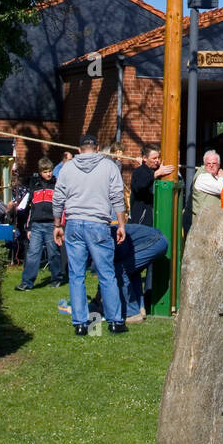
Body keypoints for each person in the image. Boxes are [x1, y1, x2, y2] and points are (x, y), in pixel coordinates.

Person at [53, 133, 127, 336]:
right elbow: (117, 197)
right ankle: (115, 322)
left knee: (76, 275)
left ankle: (80, 323)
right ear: (96, 148)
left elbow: (57, 197)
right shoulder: (109, 166)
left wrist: (57, 224)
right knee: (106, 273)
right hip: (98, 224)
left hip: (74, 223)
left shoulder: (67, 168)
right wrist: (121, 224)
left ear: (79, 150)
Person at [15, 158, 64, 290]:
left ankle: (56, 278)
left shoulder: (57, 185)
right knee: (33, 253)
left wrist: (59, 225)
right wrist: (29, 227)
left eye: (50, 171)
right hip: (36, 225)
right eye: (45, 171)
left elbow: (62, 206)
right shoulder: (34, 186)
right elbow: (31, 208)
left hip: (52, 224)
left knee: (53, 253)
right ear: (40, 172)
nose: (48, 174)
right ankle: (27, 282)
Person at [130, 144, 176, 227]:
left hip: (156, 218)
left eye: (158, 158)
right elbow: (139, 186)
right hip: (141, 220)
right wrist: (155, 175)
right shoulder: (139, 171)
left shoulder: (157, 171)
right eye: (154, 158)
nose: (157, 161)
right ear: (144, 158)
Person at [190, 150, 223, 224]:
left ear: (219, 165)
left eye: (214, 163)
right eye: (208, 163)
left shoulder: (214, 176)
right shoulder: (203, 177)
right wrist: (221, 177)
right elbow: (222, 189)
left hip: (212, 222)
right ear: (204, 164)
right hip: (202, 224)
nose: (211, 165)